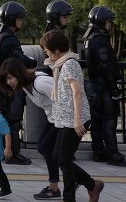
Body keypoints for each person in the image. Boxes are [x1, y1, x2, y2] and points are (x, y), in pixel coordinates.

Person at [40, 30, 104, 202]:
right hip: (64, 120)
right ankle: (92, 185)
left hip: (74, 119)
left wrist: (76, 120)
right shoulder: (59, 64)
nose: (46, 53)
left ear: (56, 50)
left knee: (64, 160)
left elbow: (77, 92)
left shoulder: (69, 64)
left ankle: (69, 198)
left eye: (47, 50)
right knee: (58, 157)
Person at [0, 58, 62, 200]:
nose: (9, 82)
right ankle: (58, 186)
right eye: (6, 80)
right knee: (45, 148)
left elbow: (66, 97)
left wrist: (75, 121)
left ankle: (63, 186)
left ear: (18, 72)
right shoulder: (25, 86)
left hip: (66, 118)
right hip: (54, 118)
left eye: (10, 78)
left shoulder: (40, 82)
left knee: (57, 153)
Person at [0, 1, 37, 165]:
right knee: (13, 121)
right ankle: (13, 154)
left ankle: (5, 151)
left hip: (2, 84)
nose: (21, 21)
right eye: (19, 18)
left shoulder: (0, 36)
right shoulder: (10, 38)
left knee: (5, 120)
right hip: (12, 85)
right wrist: (32, 61)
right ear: (12, 19)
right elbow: (21, 60)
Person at [83, 6, 125, 166]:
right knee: (109, 120)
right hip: (103, 87)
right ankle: (112, 153)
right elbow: (105, 65)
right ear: (101, 21)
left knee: (97, 121)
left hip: (95, 86)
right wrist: (113, 87)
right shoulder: (99, 40)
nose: (110, 25)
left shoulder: (89, 38)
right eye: (108, 21)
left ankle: (98, 151)